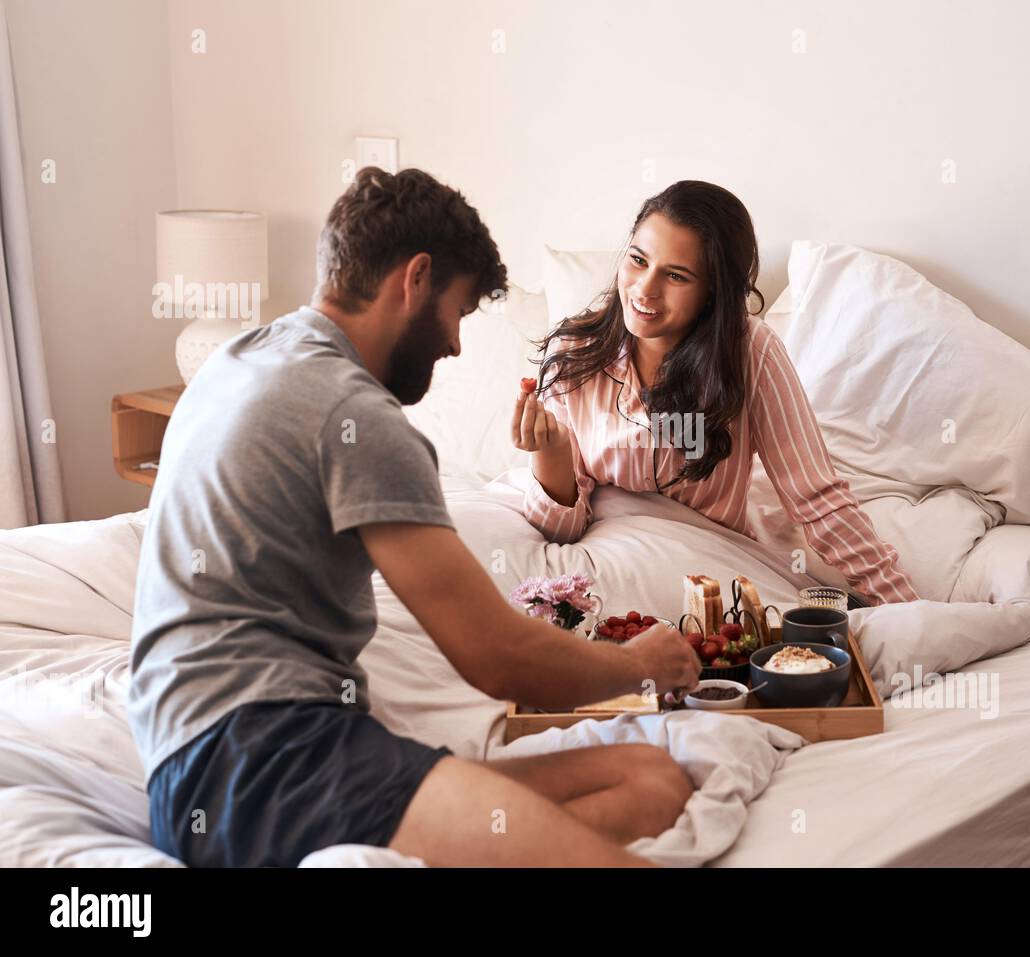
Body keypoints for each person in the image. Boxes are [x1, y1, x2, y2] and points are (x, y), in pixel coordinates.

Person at [128, 167, 699, 868]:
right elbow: (498, 657)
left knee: (649, 779)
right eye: (458, 312)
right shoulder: (354, 412)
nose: (455, 345)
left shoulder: (238, 358)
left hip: (202, 768)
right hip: (267, 761)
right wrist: (636, 665)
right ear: (416, 278)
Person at [512, 180, 918, 606]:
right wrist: (551, 453)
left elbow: (817, 498)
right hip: (607, 572)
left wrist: (908, 607)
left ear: (713, 291)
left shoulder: (751, 353)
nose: (645, 289)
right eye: (637, 260)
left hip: (707, 572)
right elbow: (559, 532)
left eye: (676, 275)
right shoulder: (574, 353)